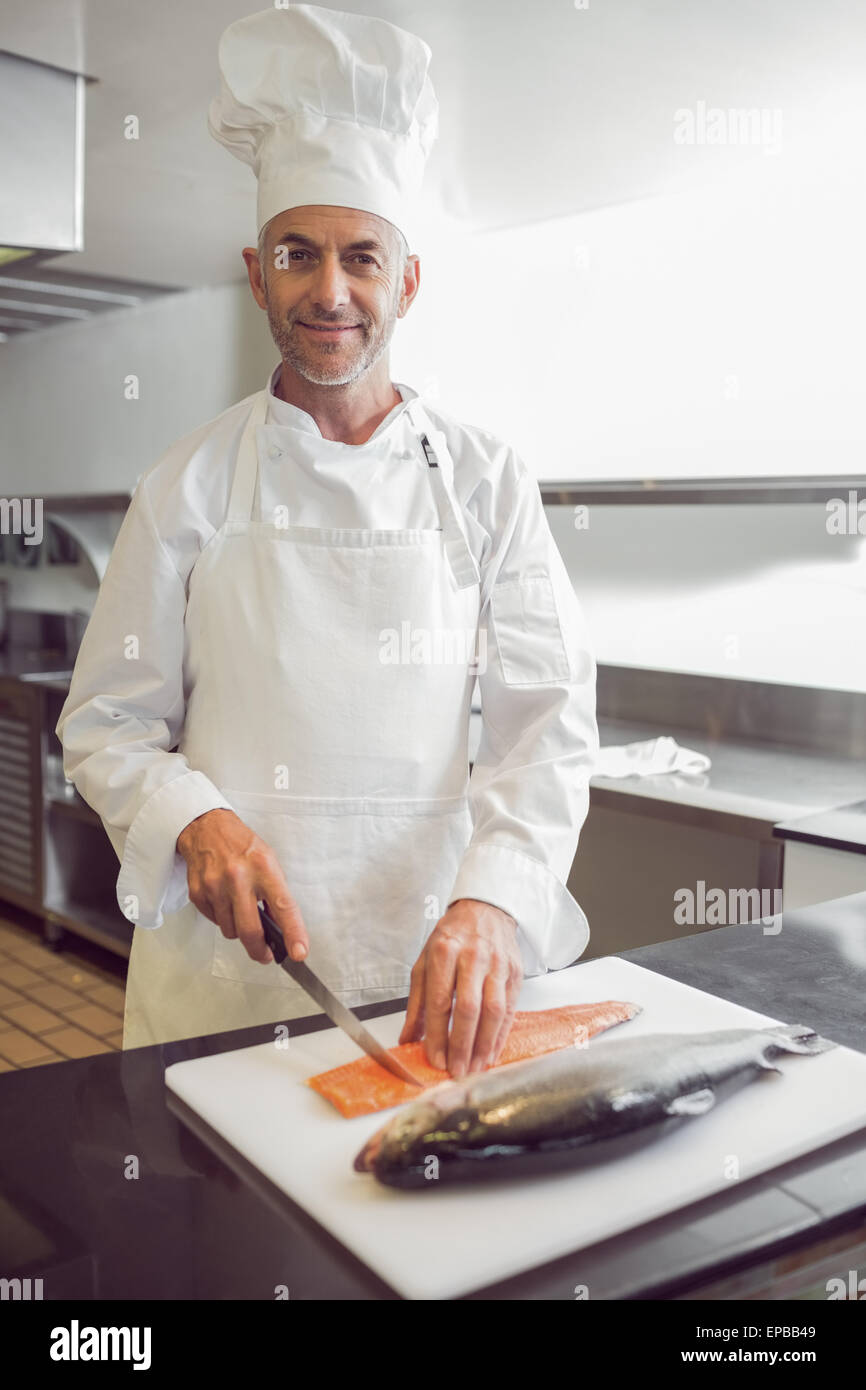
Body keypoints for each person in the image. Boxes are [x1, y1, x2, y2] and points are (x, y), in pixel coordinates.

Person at [56, 5, 599, 1072]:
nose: (329, 291)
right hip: (225, 989)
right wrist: (193, 820)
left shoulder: (486, 482)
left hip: (436, 979)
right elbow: (106, 723)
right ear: (257, 274)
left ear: (403, 279)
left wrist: (494, 901)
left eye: (360, 256)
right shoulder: (186, 484)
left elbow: (548, 725)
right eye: (296, 255)